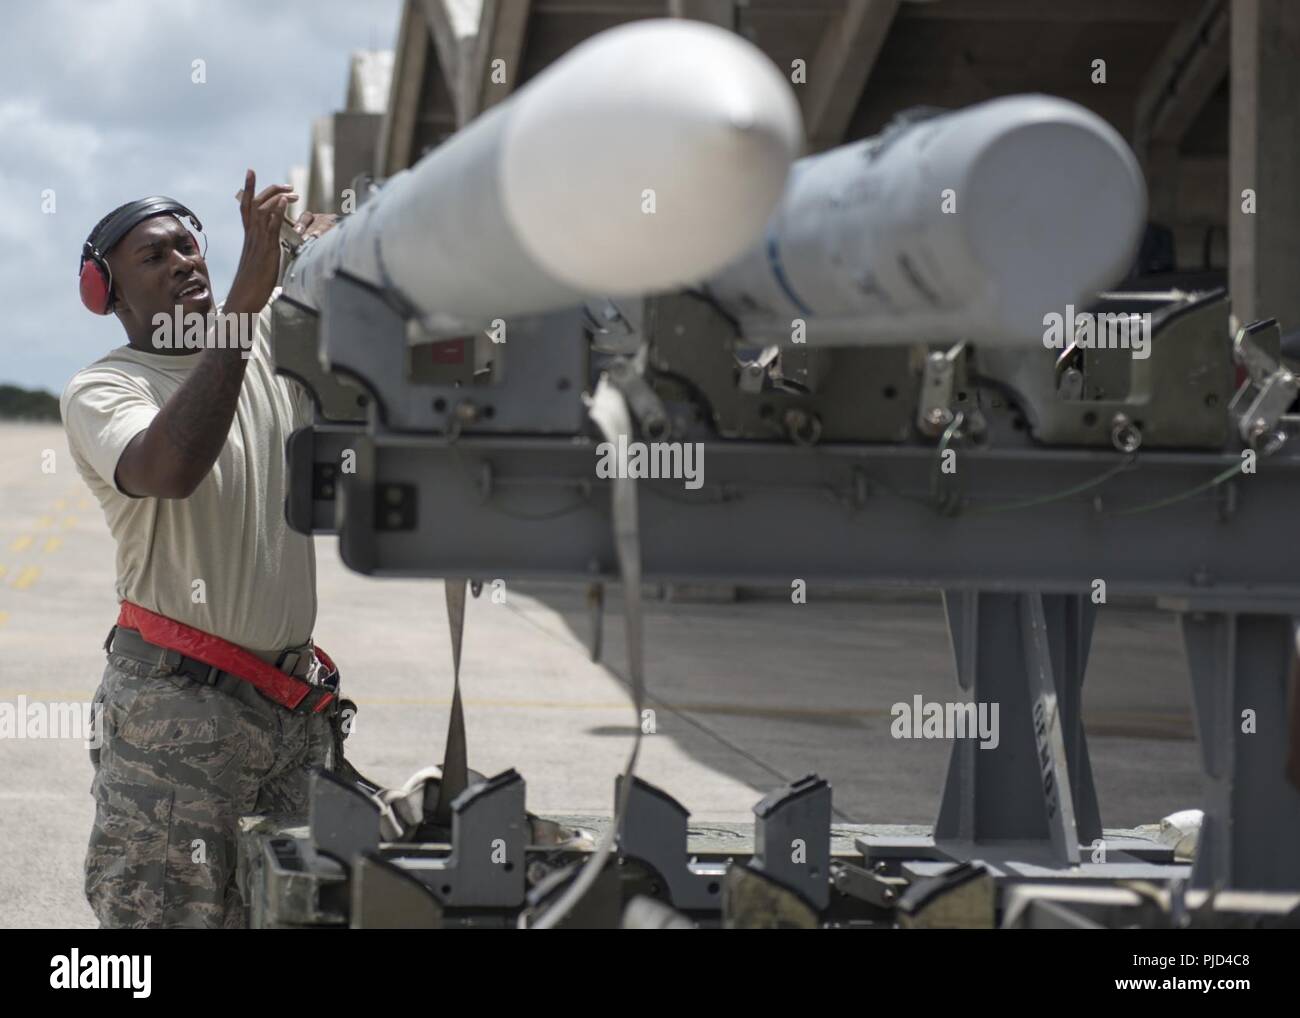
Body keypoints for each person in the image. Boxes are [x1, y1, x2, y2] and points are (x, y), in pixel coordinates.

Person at [61, 171, 349, 928]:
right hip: (178, 713)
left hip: (291, 712)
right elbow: (170, 469)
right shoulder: (108, 388)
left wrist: (339, 248)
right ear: (111, 295)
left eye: (189, 245)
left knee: (294, 912)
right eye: (154, 258)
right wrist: (245, 306)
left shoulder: (265, 366)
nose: (183, 261)